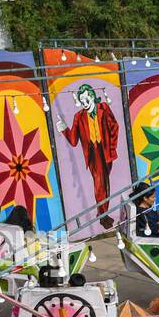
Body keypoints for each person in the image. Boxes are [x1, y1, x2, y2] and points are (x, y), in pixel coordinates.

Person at [56, 82, 122, 226]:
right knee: (99, 183)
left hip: (106, 151)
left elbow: (114, 127)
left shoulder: (104, 108)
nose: (84, 103)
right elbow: (73, 141)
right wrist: (63, 128)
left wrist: (112, 146)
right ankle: (103, 216)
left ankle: (103, 212)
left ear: (92, 97)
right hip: (93, 153)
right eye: (81, 101)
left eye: (86, 100)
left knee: (104, 184)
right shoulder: (78, 117)